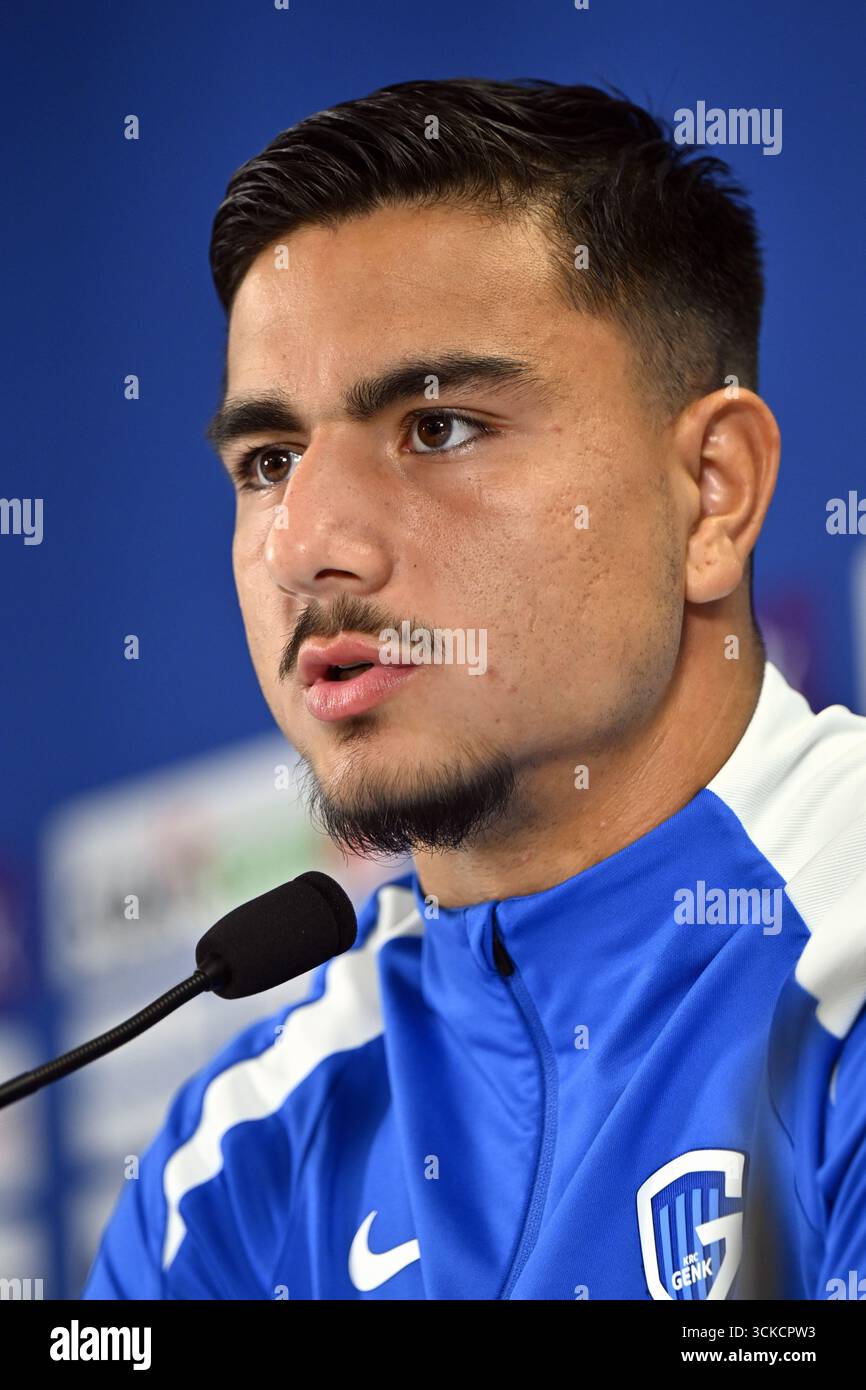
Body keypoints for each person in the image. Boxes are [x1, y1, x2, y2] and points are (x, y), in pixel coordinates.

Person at [82, 77, 866, 1300]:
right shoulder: (236, 1154)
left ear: (710, 494)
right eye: (270, 460)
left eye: (435, 426)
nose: (304, 544)